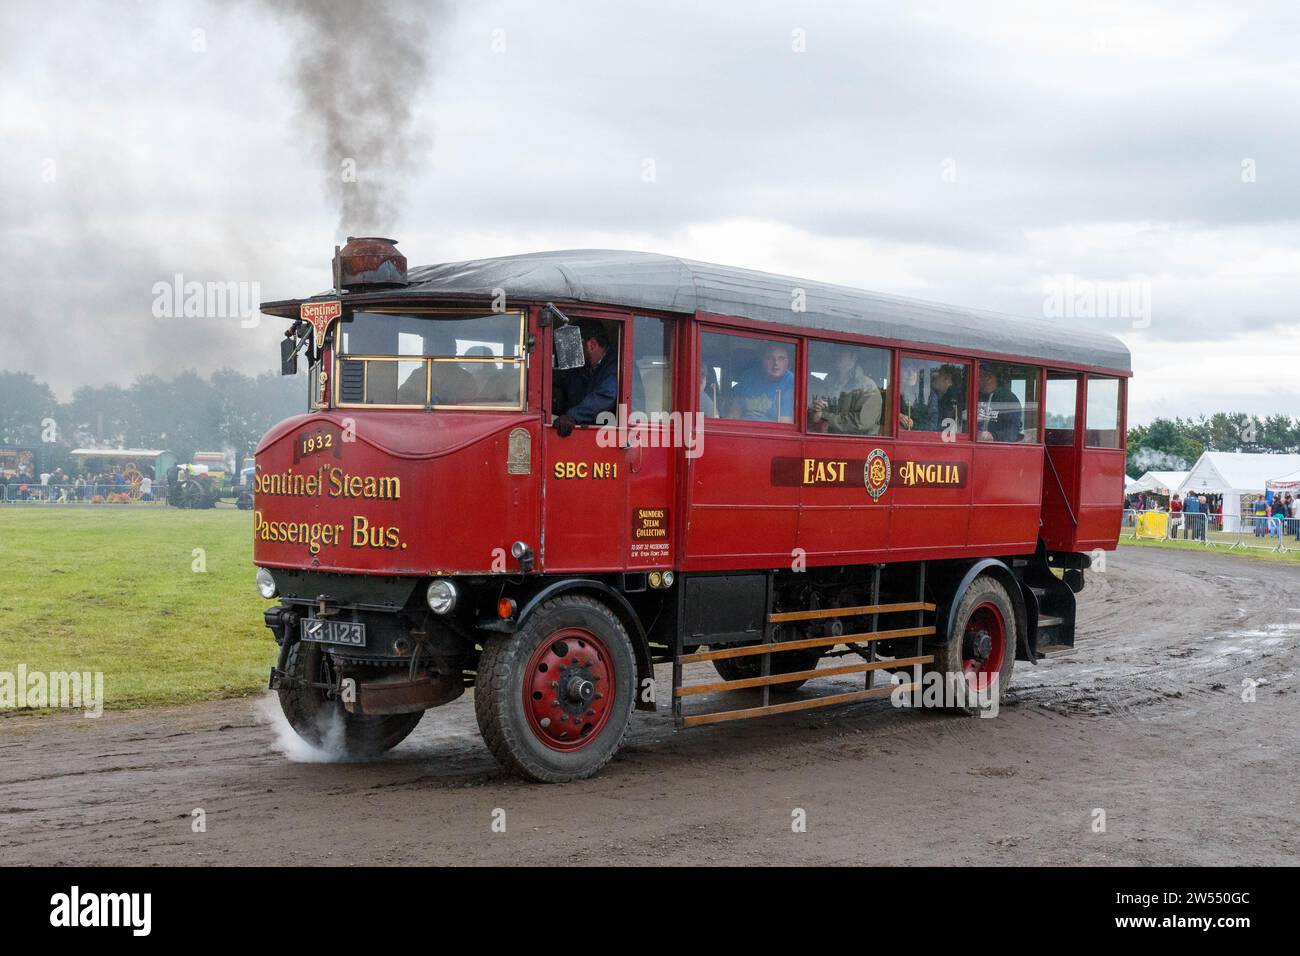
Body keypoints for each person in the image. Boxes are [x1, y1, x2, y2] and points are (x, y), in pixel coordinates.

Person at [554, 320, 618, 437]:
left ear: (592, 345)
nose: (572, 354)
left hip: (611, 439)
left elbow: (606, 395)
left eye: (576, 348)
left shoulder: (615, 365)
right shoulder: (585, 367)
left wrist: (573, 416)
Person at [809, 347, 882, 435]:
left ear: (854, 357)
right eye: (835, 353)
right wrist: (816, 408)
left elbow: (860, 422)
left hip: (859, 444)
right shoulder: (829, 383)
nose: (836, 356)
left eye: (841, 353)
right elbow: (813, 409)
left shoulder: (868, 387)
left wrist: (824, 416)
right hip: (829, 439)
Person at [725, 342, 795, 423]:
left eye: (781, 358)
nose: (776, 363)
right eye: (770, 358)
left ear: (788, 362)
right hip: (743, 429)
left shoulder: (791, 382)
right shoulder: (748, 376)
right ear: (762, 360)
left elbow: (785, 424)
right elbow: (734, 412)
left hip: (771, 433)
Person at [976, 366, 1023, 442]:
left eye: (978, 376)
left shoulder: (1008, 399)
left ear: (989, 378)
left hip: (997, 449)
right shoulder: (976, 397)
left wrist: (993, 436)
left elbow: (1012, 432)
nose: (974, 380)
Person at [921, 365, 963, 434]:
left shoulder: (951, 403)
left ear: (949, 381)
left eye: (939, 375)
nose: (935, 377)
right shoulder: (930, 395)